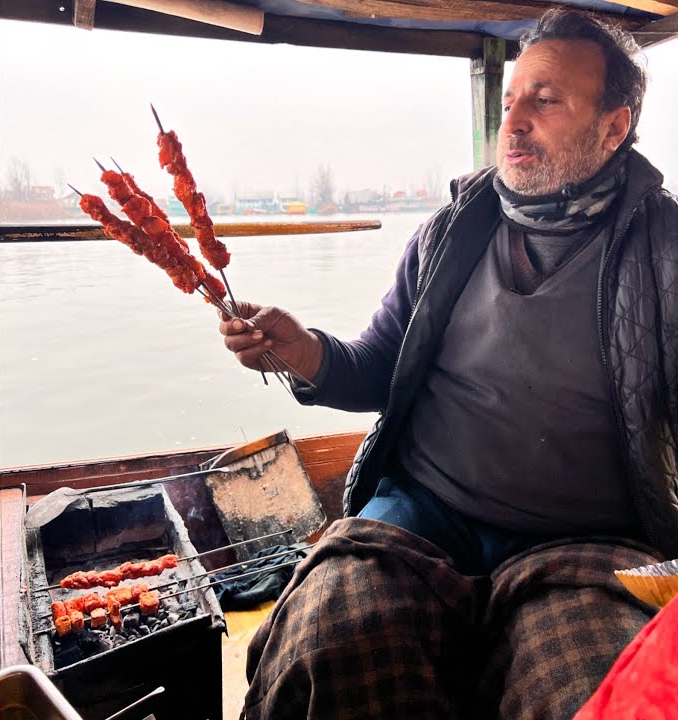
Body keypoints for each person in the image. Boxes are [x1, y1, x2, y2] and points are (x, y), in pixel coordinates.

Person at [218, 9, 678, 718]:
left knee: (597, 694)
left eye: (546, 99)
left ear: (614, 128)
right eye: (512, 98)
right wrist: (302, 351)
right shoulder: (451, 231)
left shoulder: (665, 248)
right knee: (326, 646)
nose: (515, 120)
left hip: (585, 542)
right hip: (421, 512)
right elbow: (377, 367)